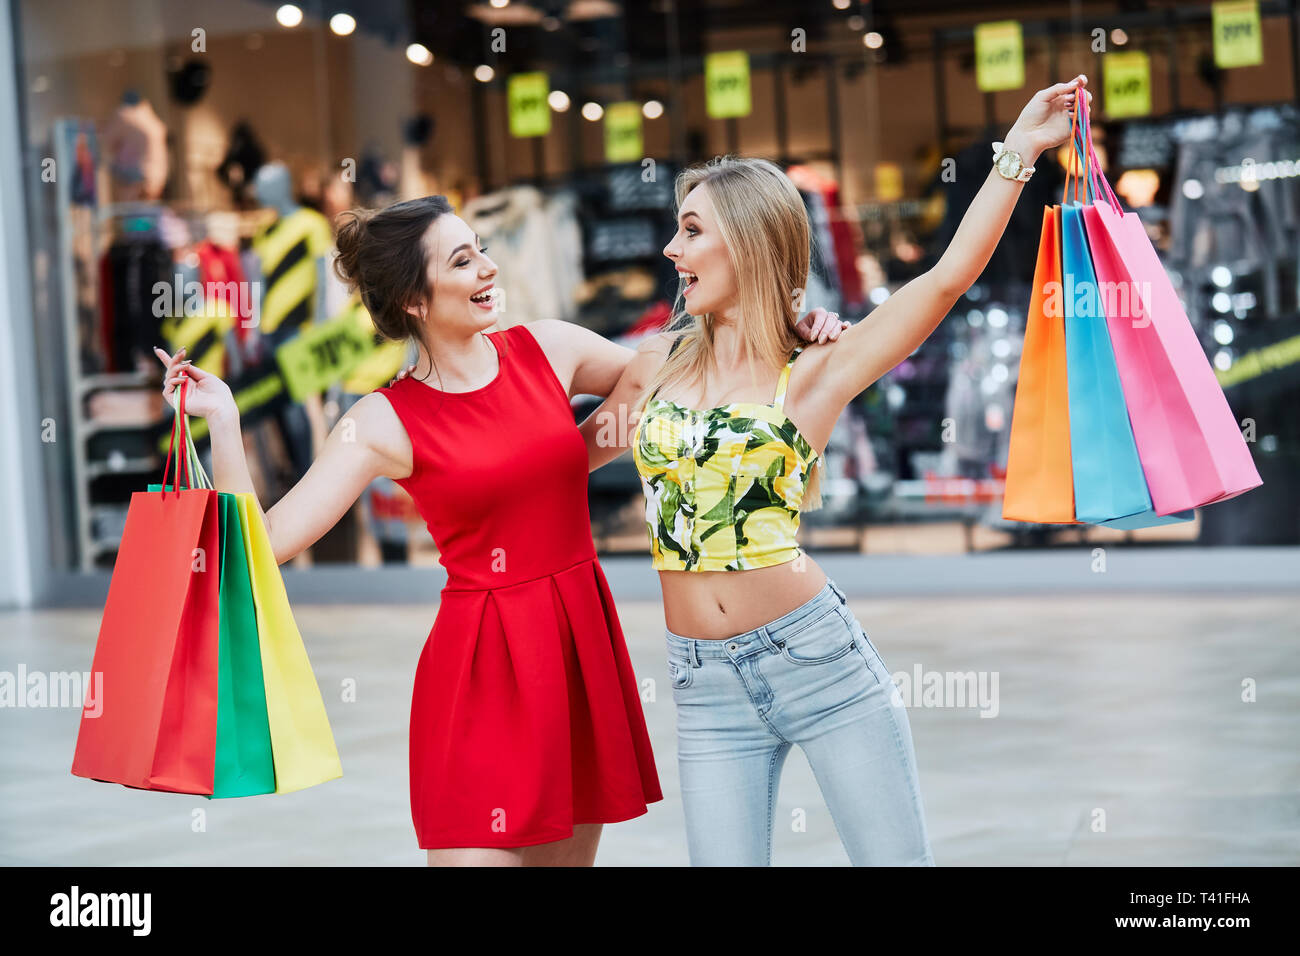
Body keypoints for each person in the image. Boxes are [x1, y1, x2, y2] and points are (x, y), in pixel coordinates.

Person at [155, 194, 844, 866]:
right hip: (480, 670)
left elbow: (684, 375)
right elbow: (262, 546)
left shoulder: (547, 348)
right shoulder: (382, 419)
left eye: (481, 251)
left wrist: (795, 336)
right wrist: (224, 420)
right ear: (414, 303)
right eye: (462, 261)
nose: (487, 267)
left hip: (576, 651)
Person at [584, 76, 1093, 865]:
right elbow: (559, 458)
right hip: (701, 683)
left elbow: (945, 279)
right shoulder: (654, 363)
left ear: (748, 244)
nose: (670, 251)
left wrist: (1019, 151)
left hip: (816, 660)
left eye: (690, 231)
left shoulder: (816, 370)